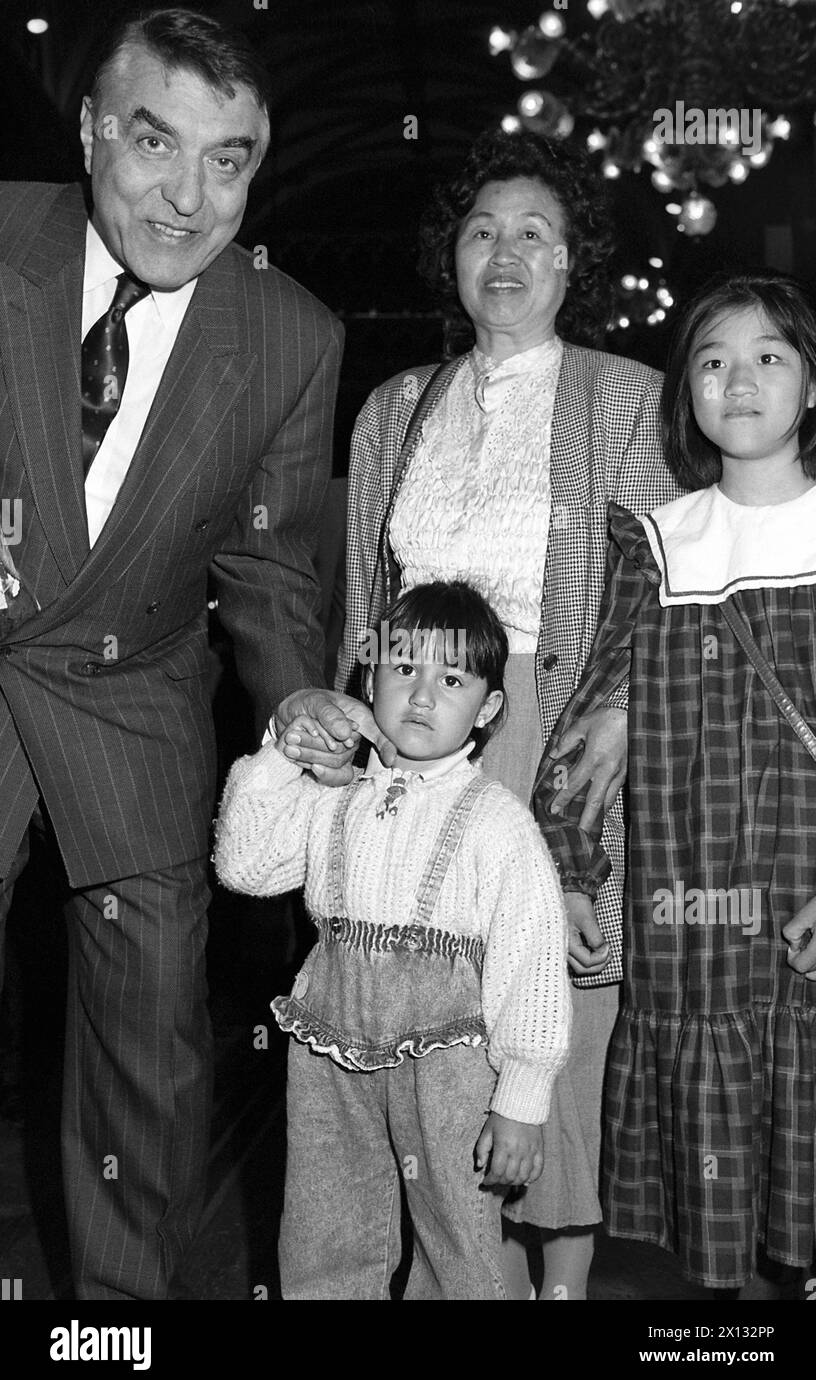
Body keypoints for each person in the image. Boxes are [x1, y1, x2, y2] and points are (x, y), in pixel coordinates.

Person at [277, 127, 680, 1299]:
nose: (504, 254)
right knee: (423, 1022)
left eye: (534, 234)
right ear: (448, 255)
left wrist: (620, 729)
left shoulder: (625, 398)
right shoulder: (395, 407)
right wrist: (345, 760)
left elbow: (668, 597)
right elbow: (363, 606)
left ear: (570, 264)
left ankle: (557, 1284)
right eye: (480, 230)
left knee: (549, 1011)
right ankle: (462, 1272)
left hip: (561, 748)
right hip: (418, 746)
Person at [0, 7, 344, 1299]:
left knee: (147, 1063)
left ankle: (123, 1322)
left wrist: (296, 684)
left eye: (230, 159)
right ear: (92, 126)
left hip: (138, 703)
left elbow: (267, 561)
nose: (188, 195)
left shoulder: (290, 336)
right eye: (155, 142)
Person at [534, 270, 816, 1294]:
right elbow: (585, 724)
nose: (736, 381)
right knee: (725, 1233)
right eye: (710, 361)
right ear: (683, 393)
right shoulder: (656, 543)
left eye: (766, 358)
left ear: (811, 384)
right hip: (695, 930)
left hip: (809, 903)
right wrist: (568, 868)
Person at [215, 580, 571, 1299]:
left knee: (456, 1238)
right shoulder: (331, 796)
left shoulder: (496, 824)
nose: (422, 695)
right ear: (367, 677)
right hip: (328, 1052)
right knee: (323, 1224)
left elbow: (530, 963)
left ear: (489, 707)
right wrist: (286, 754)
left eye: (452, 678)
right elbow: (244, 866)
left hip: (447, 1068)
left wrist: (521, 1098)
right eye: (403, 668)